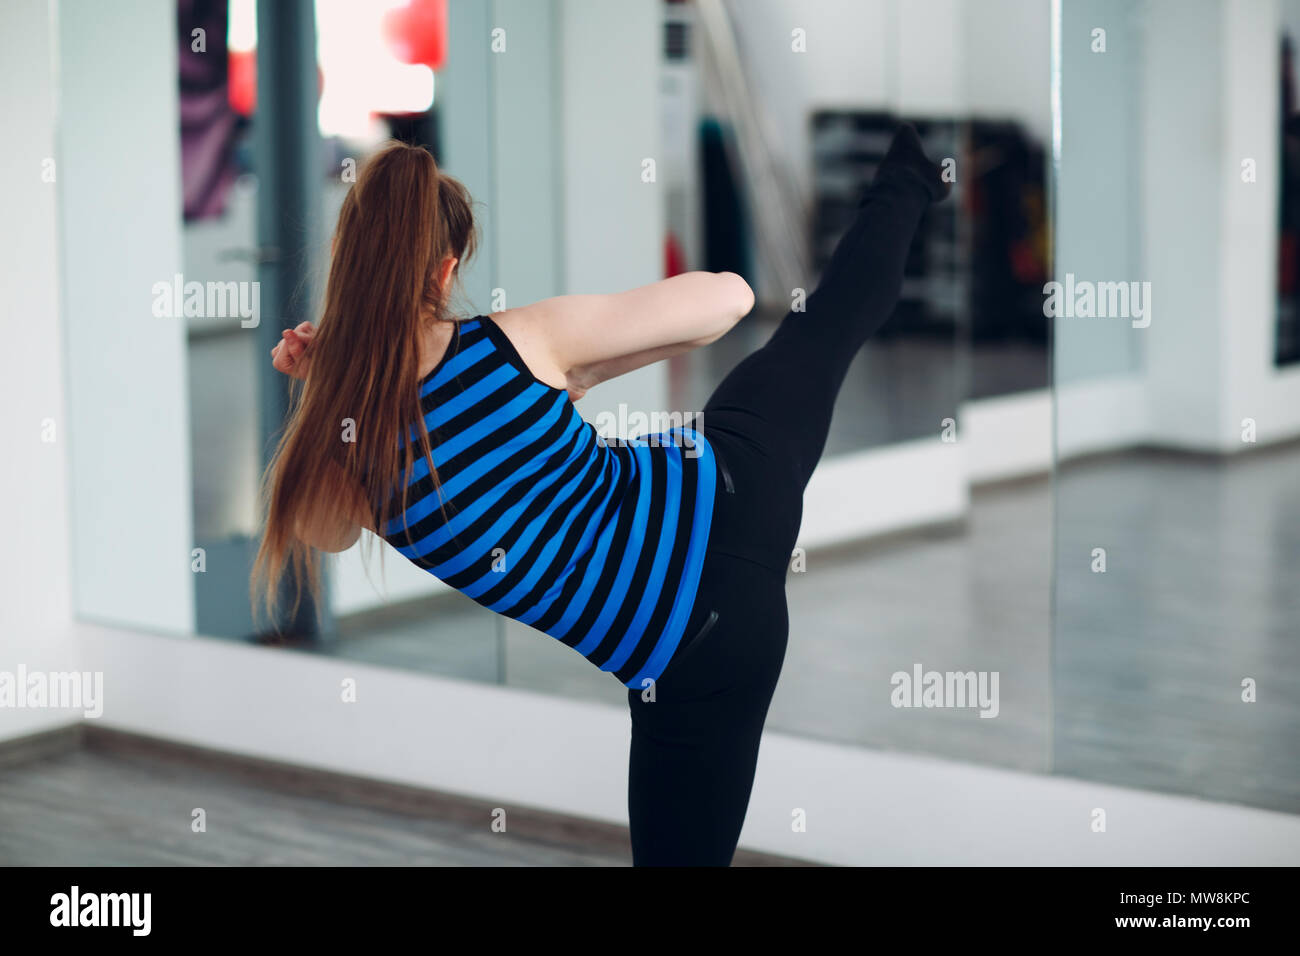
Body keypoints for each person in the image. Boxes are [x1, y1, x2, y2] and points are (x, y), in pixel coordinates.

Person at [253, 125, 949, 866]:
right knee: (824, 327)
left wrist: (322, 390)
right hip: (730, 483)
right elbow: (730, 299)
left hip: (696, 645)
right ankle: (909, 171)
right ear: (445, 269)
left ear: (344, 264)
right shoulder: (513, 342)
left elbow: (323, 532)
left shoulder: (348, 453)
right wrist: (582, 363)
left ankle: (910, 172)